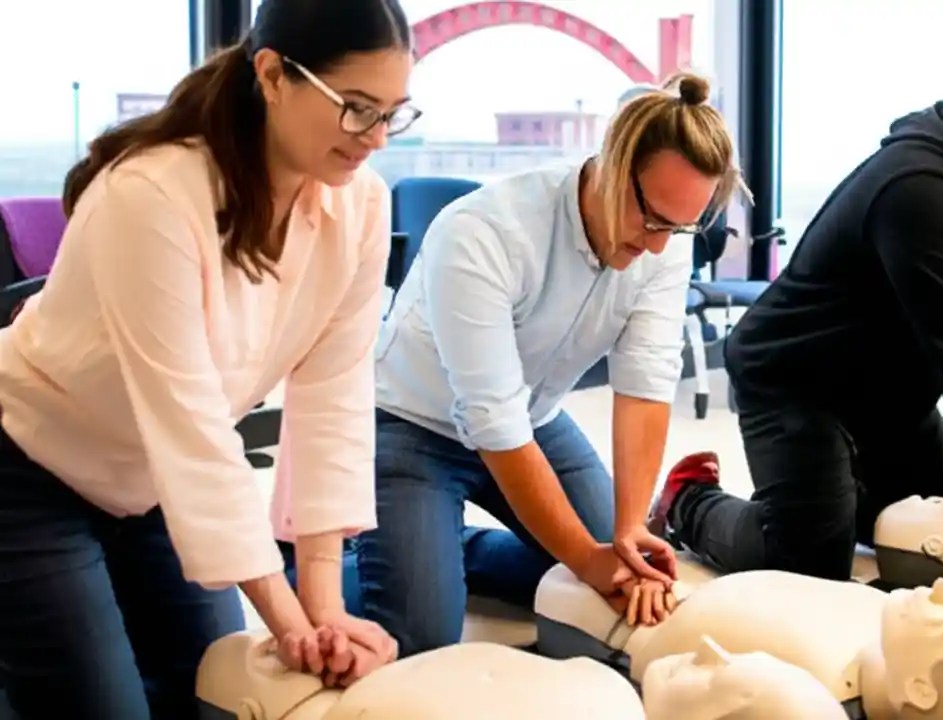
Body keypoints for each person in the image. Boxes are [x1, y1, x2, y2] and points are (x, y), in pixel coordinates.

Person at [0, 1, 412, 716]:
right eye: (355, 108)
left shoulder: (363, 207)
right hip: (30, 467)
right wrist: (290, 628)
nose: (375, 138)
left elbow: (333, 400)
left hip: (152, 484)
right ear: (274, 74)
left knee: (210, 690)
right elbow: (191, 426)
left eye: (393, 113)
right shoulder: (153, 194)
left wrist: (322, 606)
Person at [645, 59, 943, 583]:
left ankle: (843, 499)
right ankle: (688, 500)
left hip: (891, 396)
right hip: (800, 380)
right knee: (809, 563)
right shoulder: (919, 188)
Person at [360, 73, 747, 656]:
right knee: (422, 632)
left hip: (534, 419)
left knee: (618, 571)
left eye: (680, 227)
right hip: (410, 423)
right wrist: (585, 561)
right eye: (652, 220)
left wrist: (626, 533)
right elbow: (494, 423)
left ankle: (449, 547)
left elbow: (645, 383)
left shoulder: (665, 234)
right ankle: (343, 545)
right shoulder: (482, 232)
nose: (661, 246)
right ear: (613, 164)